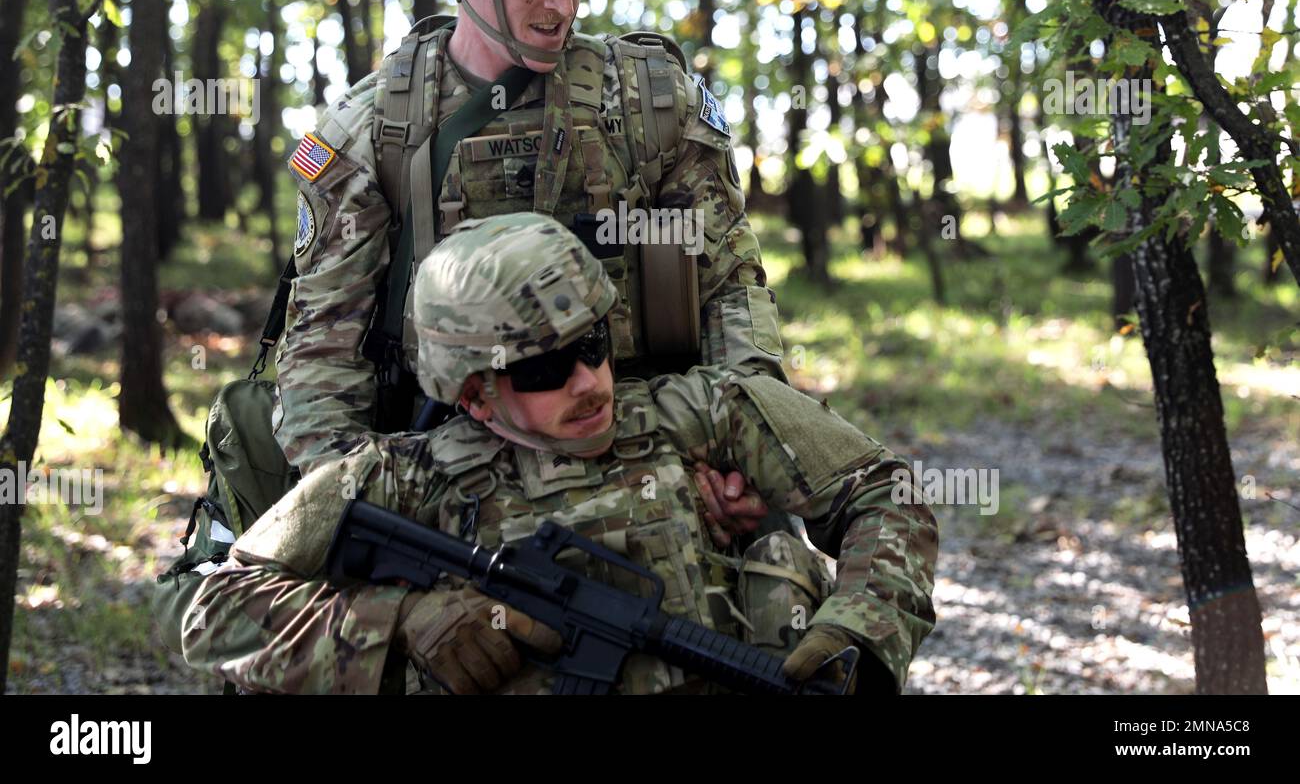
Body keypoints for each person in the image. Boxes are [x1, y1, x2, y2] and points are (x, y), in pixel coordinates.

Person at [276, 0, 786, 553]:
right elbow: (324, 361)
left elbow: (731, 290)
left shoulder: (650, 105)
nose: (561, 3)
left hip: (653, 443)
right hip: (455, 485)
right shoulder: (375, 134)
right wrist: (370, 525)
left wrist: (741, 455)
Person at [182, 214, 937, 695]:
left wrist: (861, 626)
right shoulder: (397, 478)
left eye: (594, 347)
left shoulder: (698, 411)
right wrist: (402, 621)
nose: (591, 383)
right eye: (544, 370)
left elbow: (879, 490)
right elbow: (213, 616)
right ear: (473, 395)